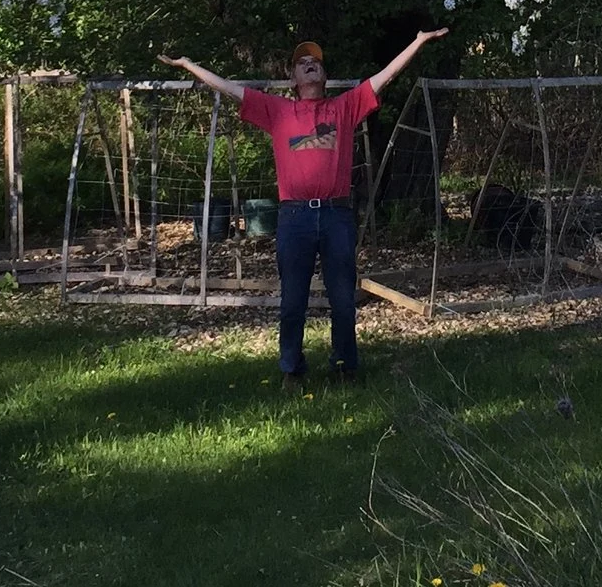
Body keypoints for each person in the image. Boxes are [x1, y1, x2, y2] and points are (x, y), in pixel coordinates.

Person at [158, 29, 447, 383]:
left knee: (343, 301)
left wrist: (417, 41)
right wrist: (188, 65)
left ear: (324, 76)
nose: (310, 65)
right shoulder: (277, 111)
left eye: (316, 63)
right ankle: (291, 370)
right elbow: (229, 88)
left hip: (336, 216)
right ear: (292, 79)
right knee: (293, 302)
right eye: (302, 63)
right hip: (294, 218)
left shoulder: (344, 108)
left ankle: (345, 367)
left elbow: (385, 77)